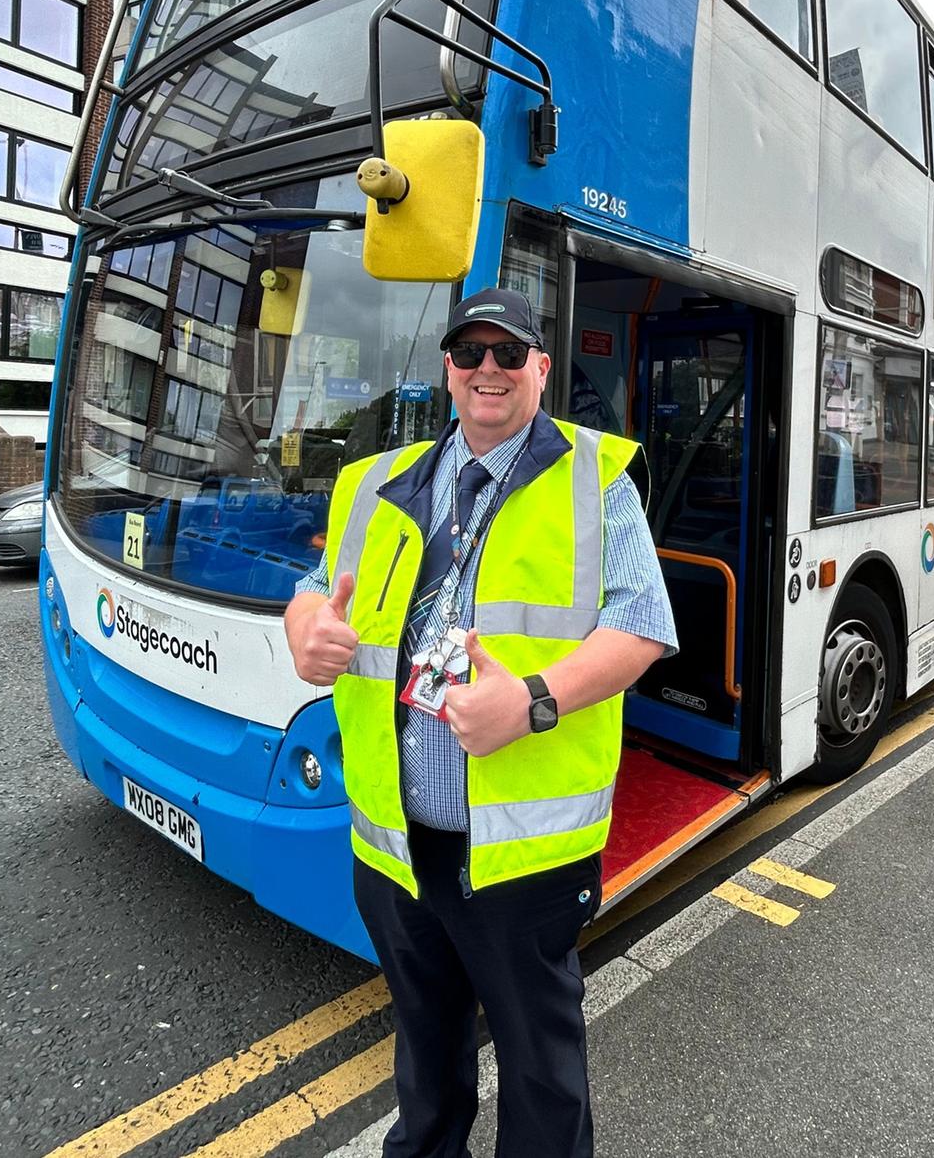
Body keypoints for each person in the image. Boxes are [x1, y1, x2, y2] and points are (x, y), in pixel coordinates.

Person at [285, 287, 676, 1158]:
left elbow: (643, 626)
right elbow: (316, 593)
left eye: (509, 353)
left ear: (541, 367)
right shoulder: (375, 481)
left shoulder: (593, 478)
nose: (488, 370)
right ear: (449, 371)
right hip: (396, 843)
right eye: (470, 353)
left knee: (540, 1071)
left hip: (522, 849)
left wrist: (531, 700)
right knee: (425, 1054)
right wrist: (304, 630)